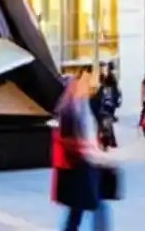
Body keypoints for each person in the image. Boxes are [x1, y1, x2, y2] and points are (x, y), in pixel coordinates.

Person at [52, 73, 113, 231]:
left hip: (86, 163)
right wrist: (84, 147)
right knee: (87, 206)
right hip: (78, 166)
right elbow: (65, 140)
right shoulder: (68, 110)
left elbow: (89, 131)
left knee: (82, 208)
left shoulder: (82, 105)